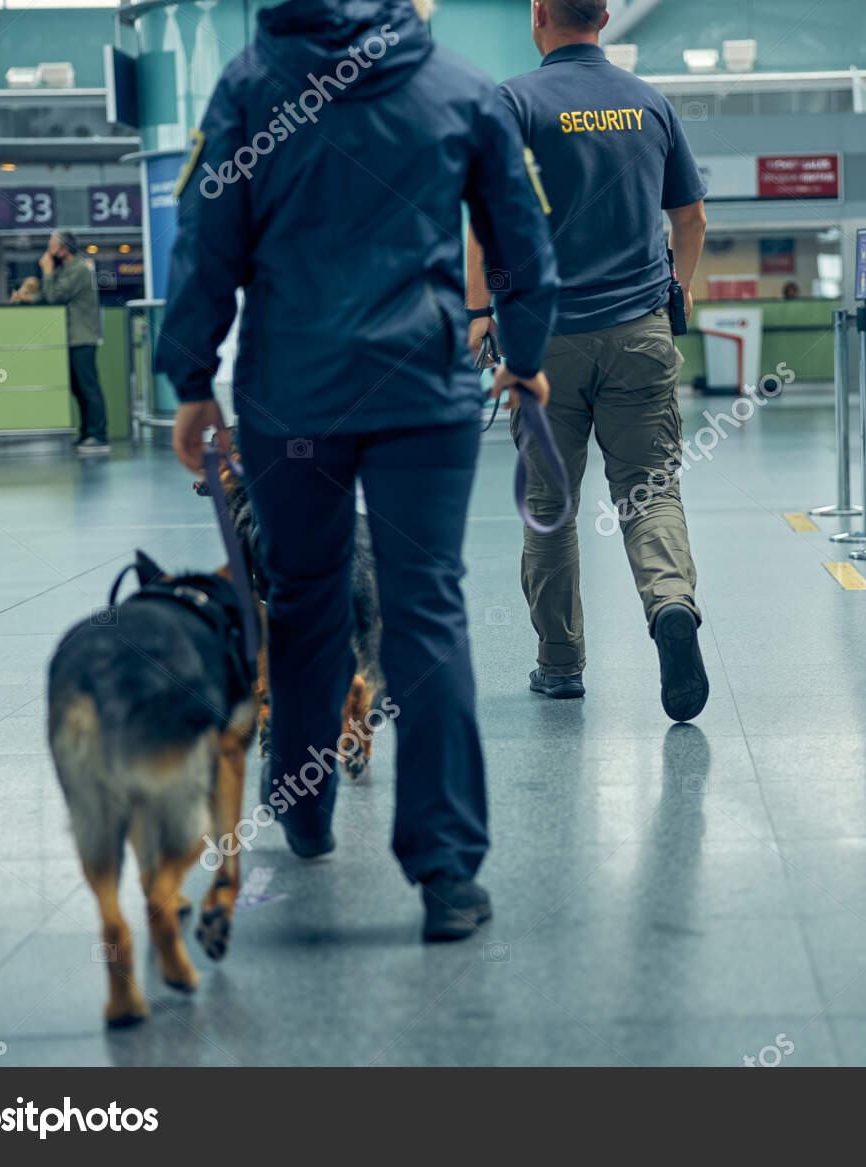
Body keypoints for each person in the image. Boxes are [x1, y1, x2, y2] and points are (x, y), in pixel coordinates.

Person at [157, 0, 559, 942]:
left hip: (290, 393)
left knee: (302, 598)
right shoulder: (460, 87)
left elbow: (206, 232)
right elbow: (523, 240)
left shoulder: (252, 85)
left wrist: (189, 378)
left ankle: (302, 807)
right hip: (421, 390)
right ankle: (448, 873)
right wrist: (526, 350)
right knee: (427, 606)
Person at [466, 0, 711, 723]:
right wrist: (678, 288)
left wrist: (480, 315)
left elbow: (489, 220)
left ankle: (560, 665)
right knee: (650, 488)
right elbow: (691, 219)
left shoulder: (514, 103)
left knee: (550, 510)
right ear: (605, 17)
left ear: (539, 15)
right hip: (640, 331)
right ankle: (670, 604)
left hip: (545, 345)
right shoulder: (649, 103)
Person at [27, 231, 108, 455]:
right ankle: (87, 433)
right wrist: (29, 298)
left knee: (88, 388)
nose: (48, 250)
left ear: (63, 249)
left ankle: (99, 435)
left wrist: (47, 270)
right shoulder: (67, 270)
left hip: (82, 337)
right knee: (78, 388)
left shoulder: (79, 269)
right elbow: (48, 294)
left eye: (51, 245)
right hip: (72, 338)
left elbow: (56, 297)